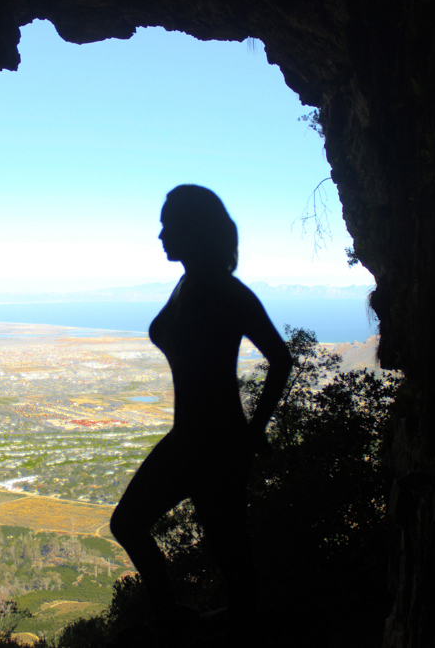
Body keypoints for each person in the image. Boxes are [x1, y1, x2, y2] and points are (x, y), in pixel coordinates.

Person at [109, 185, 293, 633]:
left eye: (168, 224)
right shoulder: (190, 283)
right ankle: (186, 620)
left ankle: (182, 623)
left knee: (215, 544)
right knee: (224, 546)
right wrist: (251, 432)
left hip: (213, 441)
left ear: (194, 229)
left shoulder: (226, 291)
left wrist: (253, 431)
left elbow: (280, 358)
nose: (160, 235)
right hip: (199, 437)